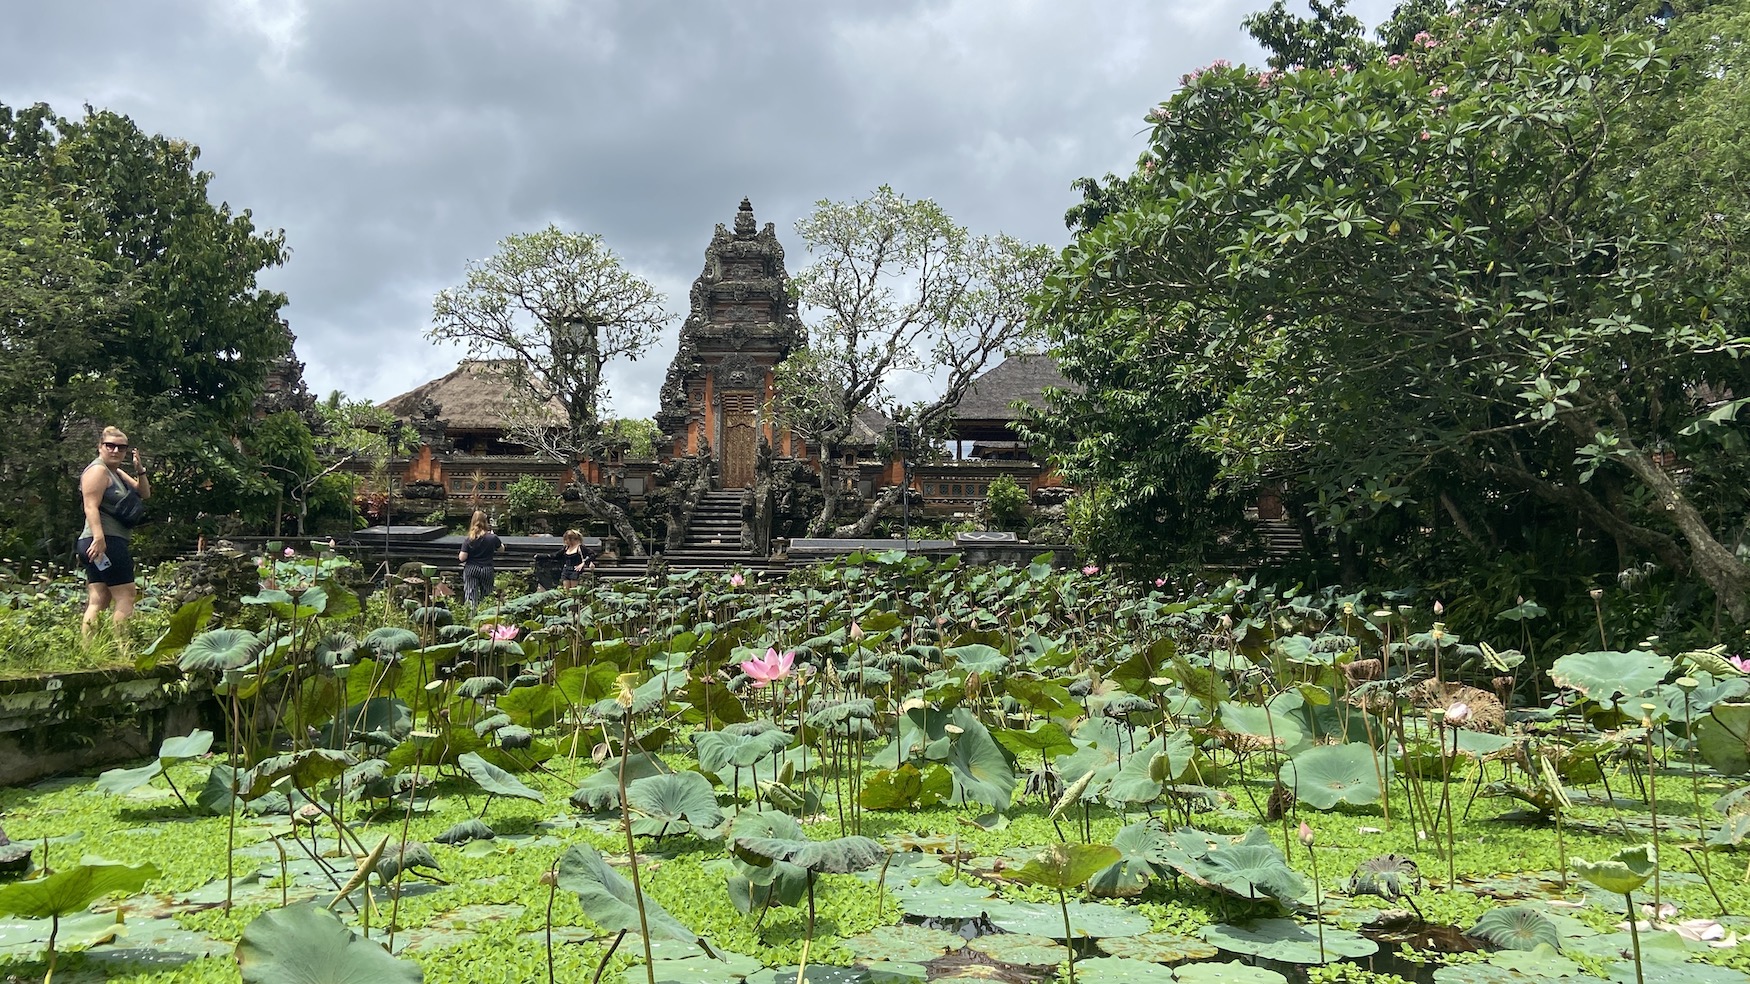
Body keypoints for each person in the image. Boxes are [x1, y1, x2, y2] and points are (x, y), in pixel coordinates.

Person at [77, 426, 151, 635]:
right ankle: (122, 649)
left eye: (121, 447)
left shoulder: (115, 471)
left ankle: (90, 649)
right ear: (100, 447)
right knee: (126, 594)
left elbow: (143, 493)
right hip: (104, 540)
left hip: (101, 541)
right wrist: (100, 539)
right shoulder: (98, 470)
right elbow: (90, 505)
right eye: (110, 446)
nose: (115, 451)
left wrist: (140, 470)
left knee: (100, 597)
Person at [457, 510, 501, 607]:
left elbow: (462, 557)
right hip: (487, 569)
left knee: (470, 594)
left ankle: (471, 617)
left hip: (471, 568)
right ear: (486, 522)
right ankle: (486, 618)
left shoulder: (469, 539)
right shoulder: (492, 538)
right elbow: (501, 549)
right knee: (487, 595)